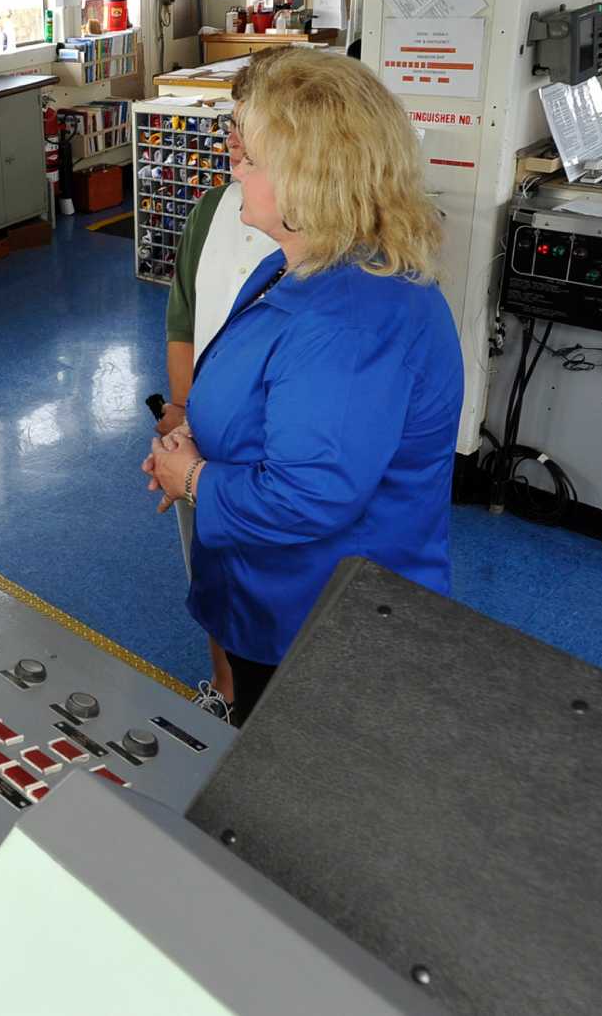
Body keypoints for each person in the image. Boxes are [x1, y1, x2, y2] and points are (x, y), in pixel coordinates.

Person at [141, 48, 461, 726]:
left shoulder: (350, 323)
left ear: (309, 178)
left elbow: (306, 498)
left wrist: (192, 477)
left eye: (252, 158)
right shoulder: (302, 265)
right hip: (272, 599)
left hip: (321, 626)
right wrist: (195, 433)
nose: (236, 168)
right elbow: (262, 388)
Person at [159, 52, 284, 708]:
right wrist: (183, 413)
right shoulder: (212, 211)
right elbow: (185, 319)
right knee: (210, 573)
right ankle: (224, 692)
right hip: (205, 438)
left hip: (267, 455)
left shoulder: (326, 253)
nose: (232, 140)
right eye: (231, 122)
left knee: (270, 595)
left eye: (248, 127)